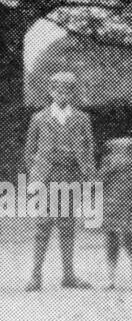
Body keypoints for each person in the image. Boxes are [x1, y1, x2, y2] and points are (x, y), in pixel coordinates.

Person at [23, 72, 95, 291]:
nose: (62, 95)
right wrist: (37, 175)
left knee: (67, 224)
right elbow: (29, 152)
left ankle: (68, 275)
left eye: (67, 91)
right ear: (51, 92)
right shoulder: (39, 118)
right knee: (43, 224)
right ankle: (35, 276)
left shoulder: (82, 119)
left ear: (73, 93)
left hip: (71, 175)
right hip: (47, 177)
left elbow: (89, 149)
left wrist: (88, 175)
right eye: (58, 91)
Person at [100, 137, 132, 291]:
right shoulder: (107, 172)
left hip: (129, 215)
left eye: (122, 153)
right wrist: (107, 170)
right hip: (111, 213)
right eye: (114, 153)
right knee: (111, 246)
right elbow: (96, 185)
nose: (117, 156)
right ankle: (110, 280)